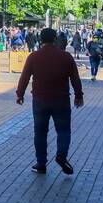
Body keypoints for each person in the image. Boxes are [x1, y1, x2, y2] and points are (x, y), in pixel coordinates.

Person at [16, 27, 84, 175]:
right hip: (61, 100)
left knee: (40, 132)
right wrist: (79, 95)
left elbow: (25, 77)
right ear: (55, 39)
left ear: (41, 40)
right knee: (64, 130)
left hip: (40, 100)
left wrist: (20, 94)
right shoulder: (66, 57)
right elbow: (75, 78)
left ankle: (41, 164)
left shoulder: (34, 57)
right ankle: (61, 156)